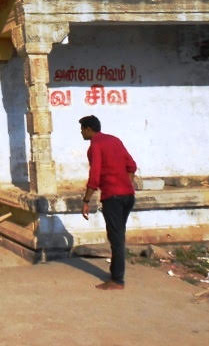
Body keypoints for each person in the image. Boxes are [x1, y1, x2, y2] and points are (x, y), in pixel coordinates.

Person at [79, 115, 137, 290]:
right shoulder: (114, 140)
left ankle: (117, 280)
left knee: (116, 238)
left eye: (82, 129)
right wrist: (125, 183)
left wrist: (86, 200)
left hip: (113, 198)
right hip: (128, 196)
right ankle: (116, 273)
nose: (81, 133)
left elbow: (94, 176)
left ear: (89, 129)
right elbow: (132, 166)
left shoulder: (95, 145)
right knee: (118, 235)